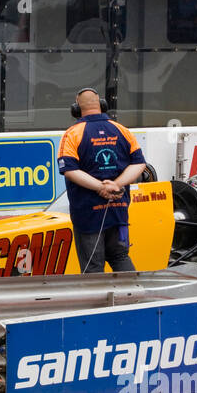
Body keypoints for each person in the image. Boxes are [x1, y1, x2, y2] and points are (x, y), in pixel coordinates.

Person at [58, 88, 146, 274]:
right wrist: (116, 185)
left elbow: (70, 170)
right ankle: (134, 298)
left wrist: (101, 187)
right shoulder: (122, 130)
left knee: (93, 267)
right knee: (120, 257)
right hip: (119, 210)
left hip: (88, 214)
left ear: (76, 109)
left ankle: (99, 304)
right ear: (102, 105)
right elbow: (139, 164)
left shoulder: (72, 134)